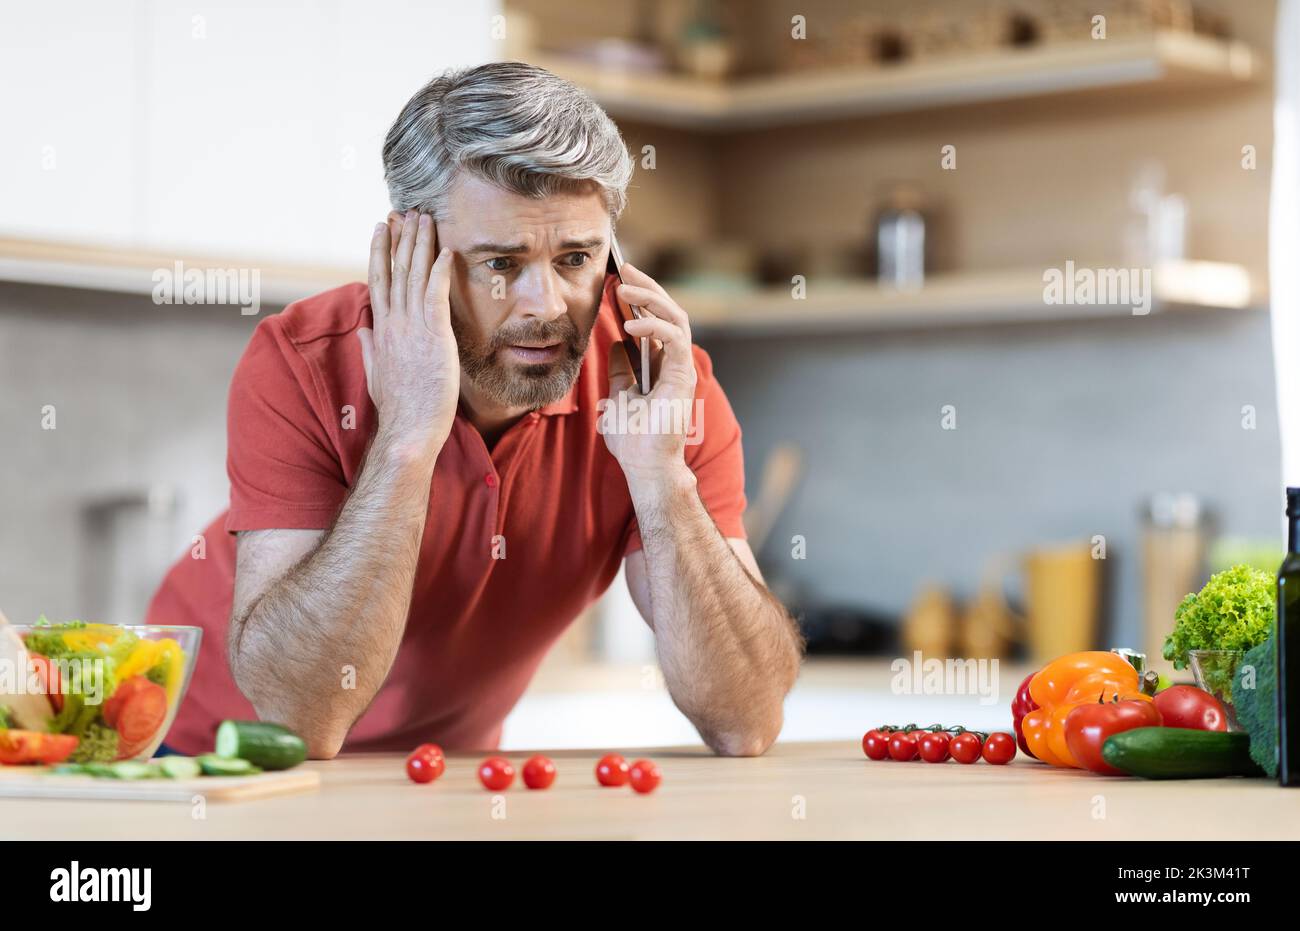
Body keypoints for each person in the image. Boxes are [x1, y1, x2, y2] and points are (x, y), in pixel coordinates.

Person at [147, 62, 803, 759]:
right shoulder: (303, 362)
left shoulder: (655, 381)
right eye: (500, 264)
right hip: (211, 760)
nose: (546, 306)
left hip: (447, 775)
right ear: (414, 248)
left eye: (576, 258)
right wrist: (405, 436)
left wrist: (661, 476)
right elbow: (301, 719)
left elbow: (746, 720)